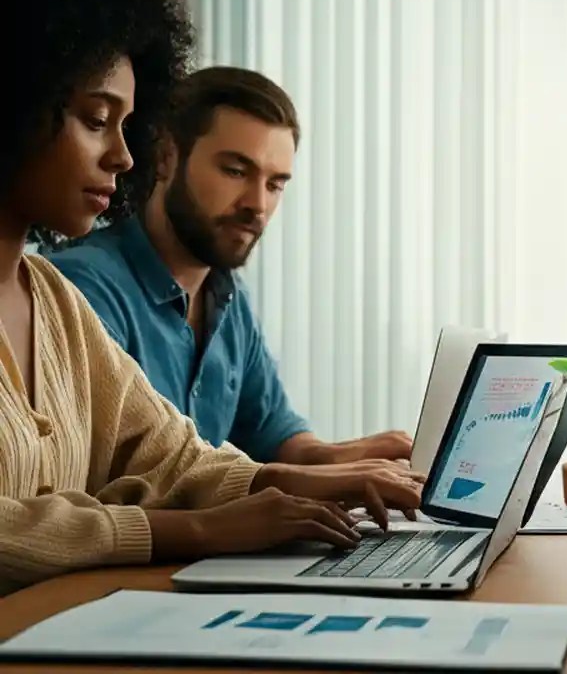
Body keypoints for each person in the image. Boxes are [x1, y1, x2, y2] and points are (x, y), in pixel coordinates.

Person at [0, 0, 422, 594]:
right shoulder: (88, 281)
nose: (123, 156)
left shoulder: (52, 299)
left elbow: (170, 456)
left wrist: (297, 482)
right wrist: (201, 529)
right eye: (96, 120)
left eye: (126, 125)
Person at [49, 66, 411, 465]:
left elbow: (276, 438)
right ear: (166, 157)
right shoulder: (82, 288)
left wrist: (362, 459)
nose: (258, 204)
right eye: (236, 171)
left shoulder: (227, 297)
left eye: (275, 184)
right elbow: (134, 477)